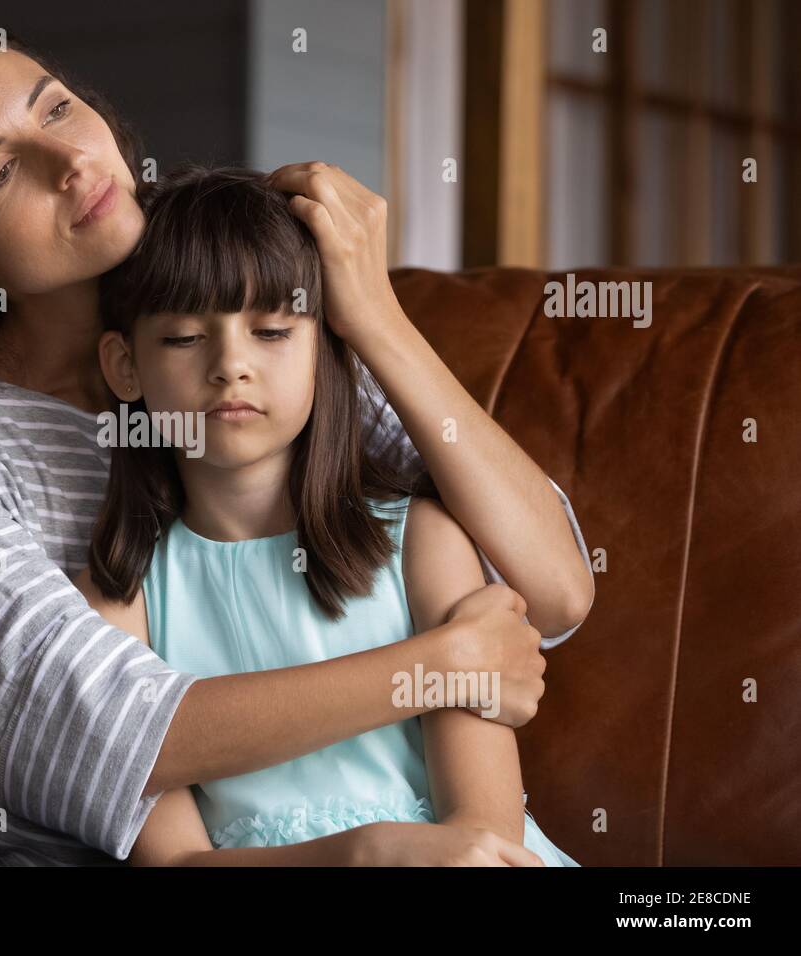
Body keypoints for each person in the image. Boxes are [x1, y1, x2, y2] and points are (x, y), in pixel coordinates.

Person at [0, 11, 594, 866]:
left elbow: (554, 590)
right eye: (3, 172)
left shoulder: (237, 297)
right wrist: (440, 666)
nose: (73, 161)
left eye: (56, 108)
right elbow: (98, 737)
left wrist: (373, 317)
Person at [76, 165, 579, 865]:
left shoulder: (421, 543)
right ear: (123, 366)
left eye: (273, 330)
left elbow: (486, 832)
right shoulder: (122, 591)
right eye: (186, 338)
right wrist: (363, 853)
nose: (231, 365)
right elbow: (178, 863)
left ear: (326, 348)